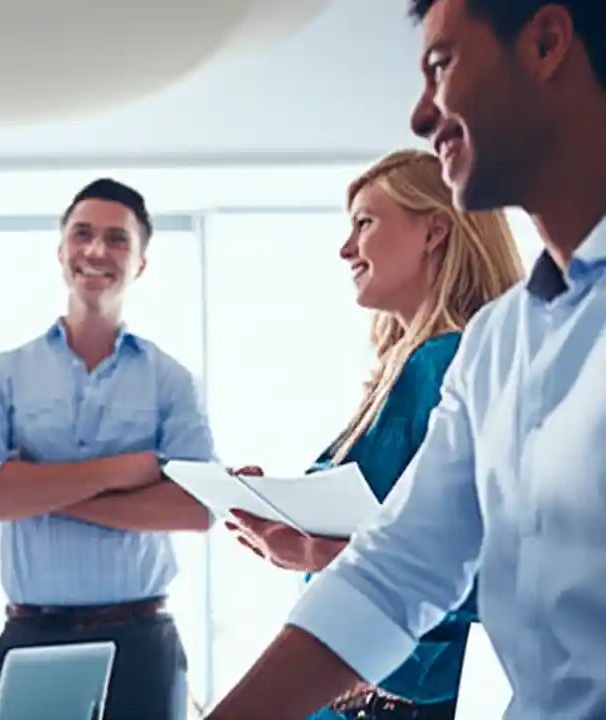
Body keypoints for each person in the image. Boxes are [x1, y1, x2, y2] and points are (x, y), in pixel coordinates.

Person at [209, 0, 606, 717]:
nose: (423, 115)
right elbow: (396, 572)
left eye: (441, 67)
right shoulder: (498, 344)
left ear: (546, 43)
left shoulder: (456, 353)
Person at [227, 149, 524, 720]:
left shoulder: (447, 364)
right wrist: (287, 510)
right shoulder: (415, 366)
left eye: (364, 222)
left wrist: (315, 551)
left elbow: (470, 566)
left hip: (400, 700)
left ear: (434, 231)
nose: (347, 249)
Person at [0, 178, 215, 719]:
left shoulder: (171, 380)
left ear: (140, 263)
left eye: (117, 239)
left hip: (142, 642)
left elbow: (196, 507)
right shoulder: (3, 374)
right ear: (61, 249)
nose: (96, 250)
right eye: (82, 234)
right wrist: (127, 470)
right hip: (32, 638)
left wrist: (35, 490)